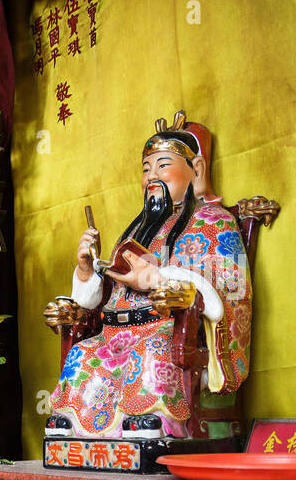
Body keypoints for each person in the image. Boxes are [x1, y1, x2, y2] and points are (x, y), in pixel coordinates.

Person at [45, 113, 253, 440]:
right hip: (115, 333)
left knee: (152, 349)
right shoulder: (136, 232)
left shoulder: (214, 222)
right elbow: (100, 299)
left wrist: (156, 279)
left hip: (167, 332)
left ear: (195, 169)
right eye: (145, 169)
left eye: (163, 165)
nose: (151, 176)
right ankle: (73, 422)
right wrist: (87, 269)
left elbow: (226, 292)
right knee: (83, 353)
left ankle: (154, 422)